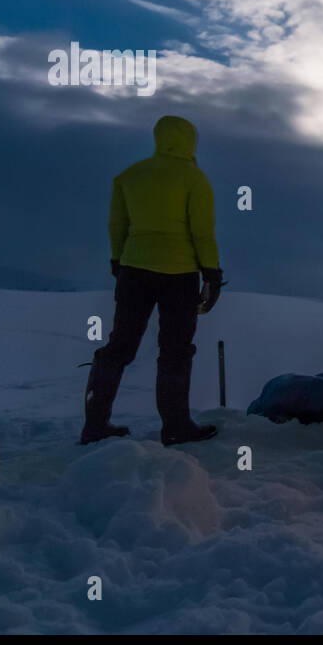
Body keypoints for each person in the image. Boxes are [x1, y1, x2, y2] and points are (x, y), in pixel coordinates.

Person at [81, 115, 224, 446]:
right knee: (175, 350)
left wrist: (119, 262)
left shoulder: (129, 177)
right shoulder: (195, 179)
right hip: (179, 275)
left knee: (118, 347)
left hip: (134, 271)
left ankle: (95, 425)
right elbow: (202, 232)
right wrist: (212, 273)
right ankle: (175, 427)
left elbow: (117, 227)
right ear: (190, 140)